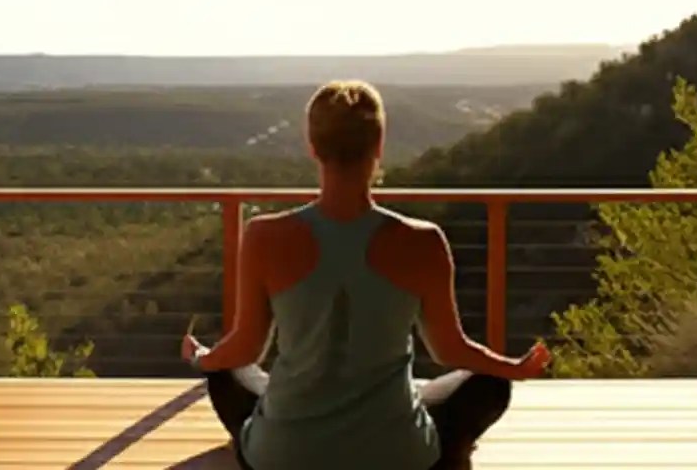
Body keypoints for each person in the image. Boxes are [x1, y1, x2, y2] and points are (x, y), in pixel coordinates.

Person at [180, 80, 551, 470]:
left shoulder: (263, 235)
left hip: (284, 456)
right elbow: (449, 350)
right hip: (397, 455)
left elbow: (245, 349)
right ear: (378, 146)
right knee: (490, 383)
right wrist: (512, 367)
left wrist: (203, 359)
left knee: (225, 373)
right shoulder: (423, 241)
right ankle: (445, 451)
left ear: (312, 147)